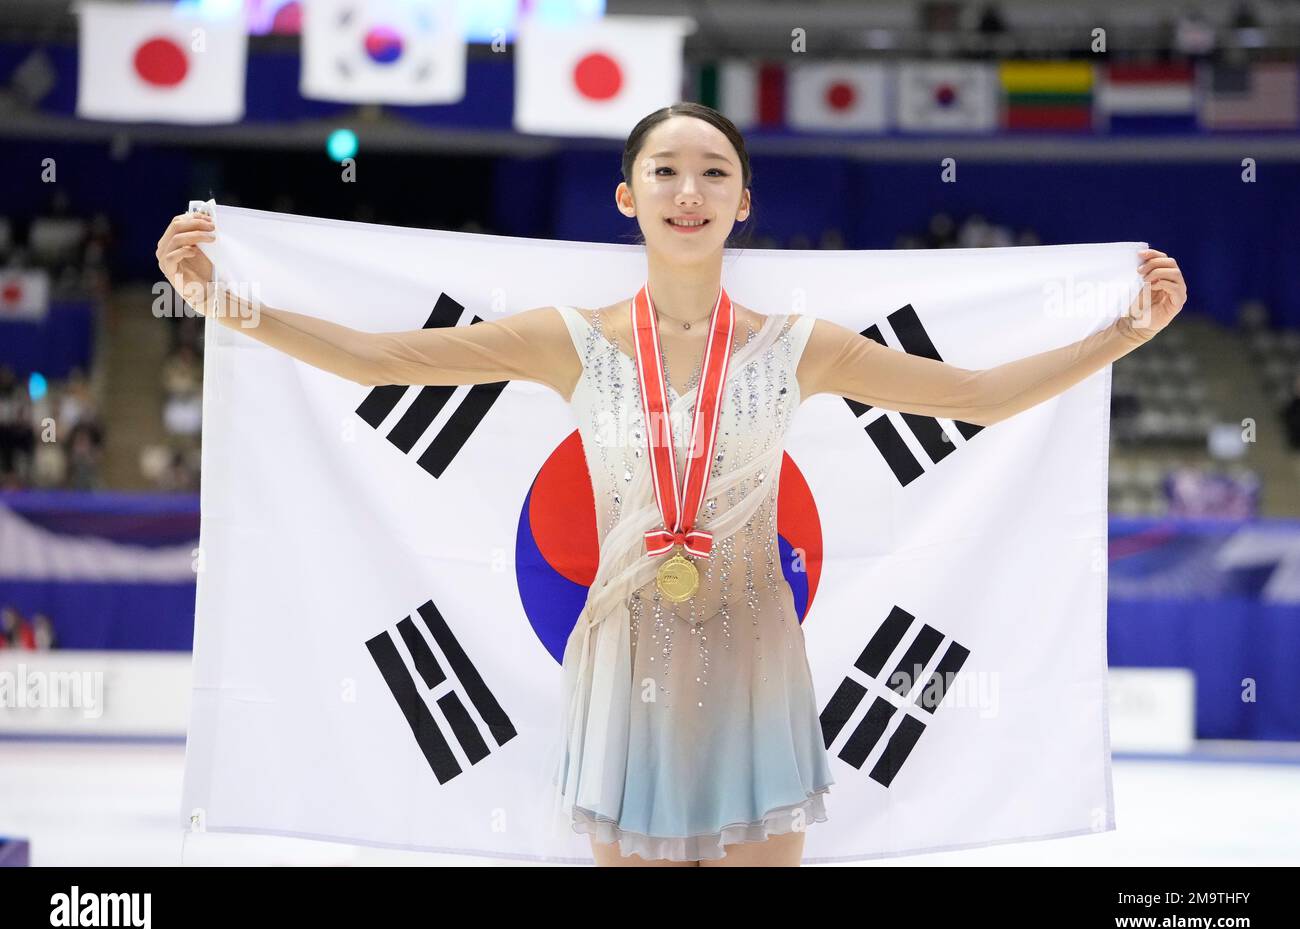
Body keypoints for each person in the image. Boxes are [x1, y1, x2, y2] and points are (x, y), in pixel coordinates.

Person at [155, 102, 1188, 867]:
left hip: (754, 660)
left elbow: (974, 397)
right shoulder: (567, 340)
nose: (686, 192)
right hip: (625, 656)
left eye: (710, 173)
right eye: (663, 171)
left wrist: (1119, 334)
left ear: (743, 201)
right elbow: (384, 359)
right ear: (628, 196)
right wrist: (230, 305)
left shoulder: (797, 347)